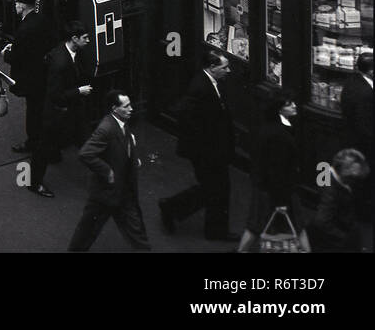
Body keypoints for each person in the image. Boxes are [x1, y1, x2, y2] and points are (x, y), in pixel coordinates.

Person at [159, 46, 237, 240]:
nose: (229, 71)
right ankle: (215, 231)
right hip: (207, 151)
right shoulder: (200, 88)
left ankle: (171, 207)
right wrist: (210, 149)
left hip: (212, 148)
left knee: (212, 188)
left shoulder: (210, 82)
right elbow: (190, 122)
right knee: (217, 188)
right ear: (212, 67)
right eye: (225, 67)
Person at [69, 90, 150, 252]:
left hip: (122, 189)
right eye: (126, 106)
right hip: (105, 192)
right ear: (114, 108)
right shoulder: (106, 129)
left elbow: (122, 145)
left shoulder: (121, 121)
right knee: (87, 231)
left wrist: (132, 160)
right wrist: (107, 171)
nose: (131, 109)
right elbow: (86, 154)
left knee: (136, 230)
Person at [29, 21, 96, 200]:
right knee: (44, 147)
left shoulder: (68, 52)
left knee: (85, 140)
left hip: (70, 111)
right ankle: (34, 182)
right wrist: (79, 91)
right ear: (74, 39)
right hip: (57, 113)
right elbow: (55, 94)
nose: (88, 41)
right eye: (85, 38)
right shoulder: (60, 62)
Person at [236, 88, 303, 254]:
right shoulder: (278, 134)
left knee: (258, 224)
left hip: (269, 186)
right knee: (261, 224)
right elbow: (276, 168)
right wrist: (281, 198)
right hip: (276, 189)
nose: (295, 106)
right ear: (279, 108)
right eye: (290, 104)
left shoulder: (272, 127)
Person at [2, 0, 55, 155]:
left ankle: (33, 143)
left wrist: (7, 53)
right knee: (40, 109)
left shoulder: (25, 28)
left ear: (23, 5)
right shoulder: (42, 20)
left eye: (17, 2)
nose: (15, 5)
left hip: (30, 78)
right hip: (43, 73)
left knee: (33, 112)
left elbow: (16, 56)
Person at [307, 149, 368, 252]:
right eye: (354, 178)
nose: (355, 182)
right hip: (334, 245)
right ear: (345, 172)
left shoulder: (330, 175)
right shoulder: (330, 188)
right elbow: (322, 222)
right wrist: (346, 240)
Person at [341, 52, 373, 160]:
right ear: (371, 71)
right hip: (363, 145)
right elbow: (366, 126)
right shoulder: (365, 94)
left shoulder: (352, 80)